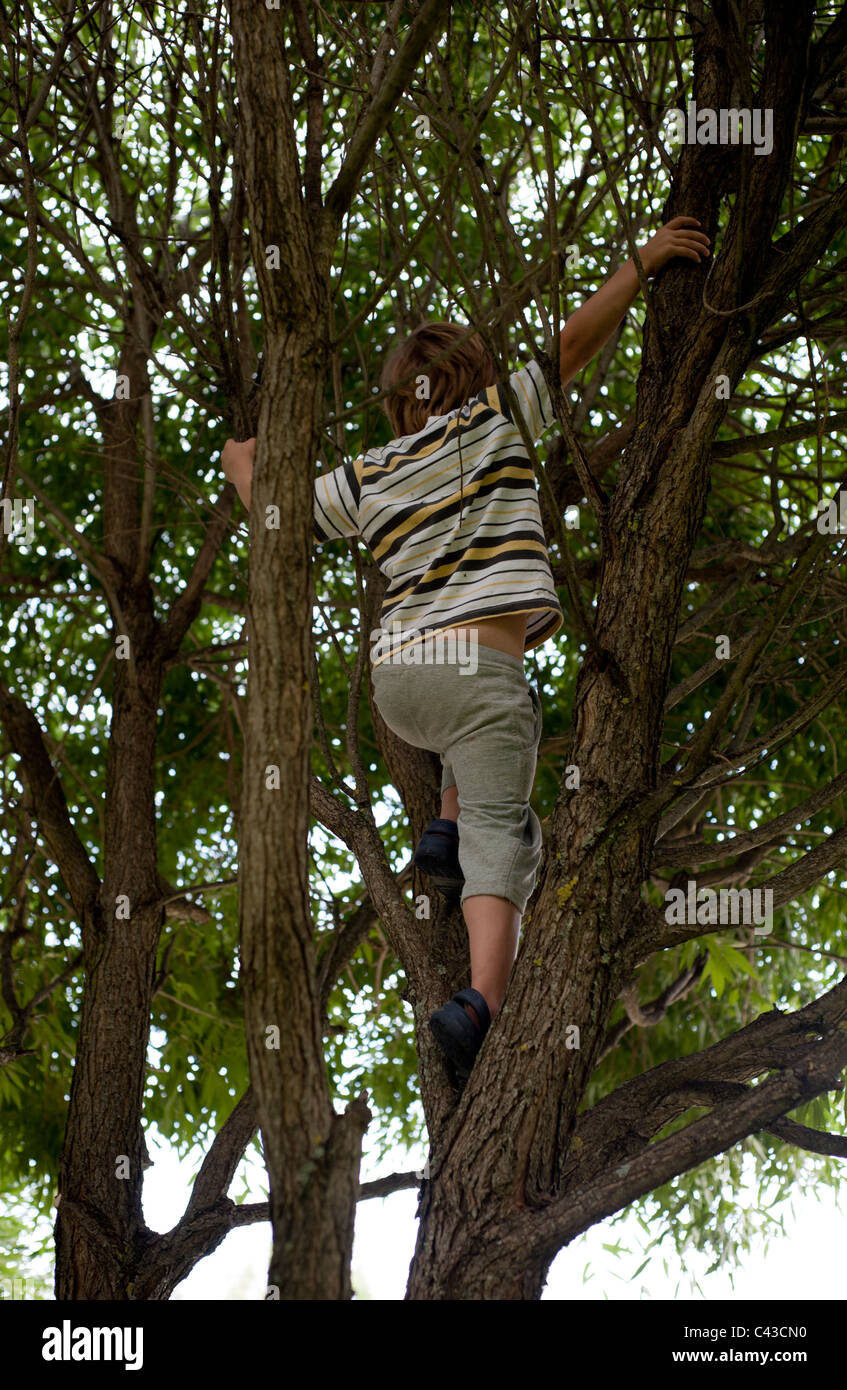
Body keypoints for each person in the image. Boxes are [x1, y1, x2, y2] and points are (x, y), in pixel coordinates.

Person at [221, 217, 711, 1089]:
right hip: (480, 675)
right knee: (504, 832)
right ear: (471, 376)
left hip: (399, 683)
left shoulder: (366, 474)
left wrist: (241, 461)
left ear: (401, 398)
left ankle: (438, 828)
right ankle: (479, 1000)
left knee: (461, 753)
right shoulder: (492, 418)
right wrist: (640, 262)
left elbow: (275, 512)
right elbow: (568, 344)